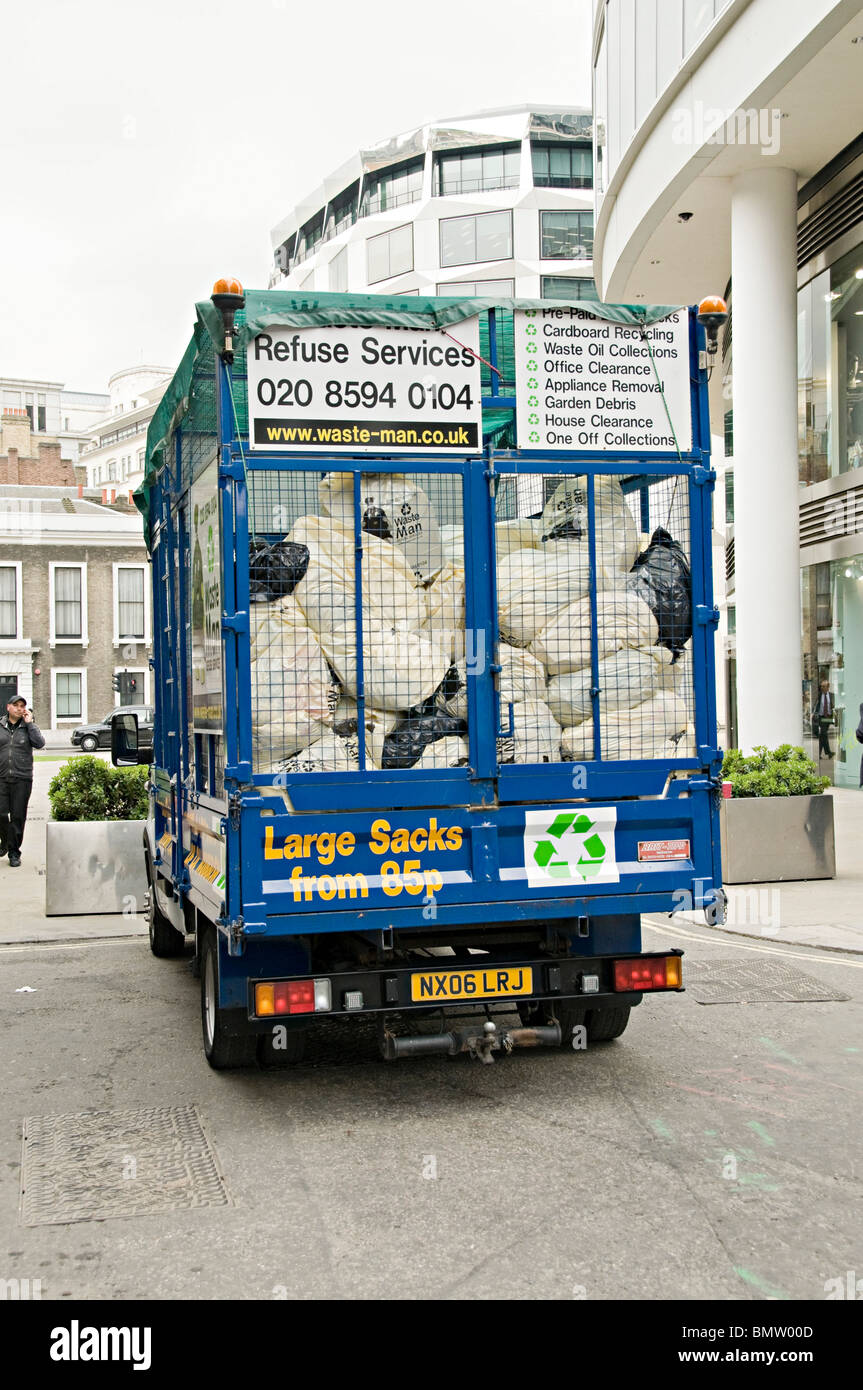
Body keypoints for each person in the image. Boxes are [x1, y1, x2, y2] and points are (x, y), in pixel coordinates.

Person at [0, 695, 45, 866]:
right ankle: (4, 840)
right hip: (1, 777)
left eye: (22, 706)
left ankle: (14, 852)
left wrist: (30, 723)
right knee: (1, 814)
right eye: (16, 705)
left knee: (18, 817)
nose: (19, 708)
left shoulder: (29, 728)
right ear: (8, 707)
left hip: (22, 778)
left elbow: (39, 743)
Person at [813, 679, 835, 758]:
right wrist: (813, 713)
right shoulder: (819, 695)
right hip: (821, 717)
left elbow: (833, 706)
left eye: (824, 686)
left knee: (823, 735)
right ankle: (828, 752)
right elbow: (815, 704)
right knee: (824, 733)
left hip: (828, 717)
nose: (822, 688)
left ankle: (820, 754)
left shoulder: (832, 695)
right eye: (821, 686)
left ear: (828, 687)